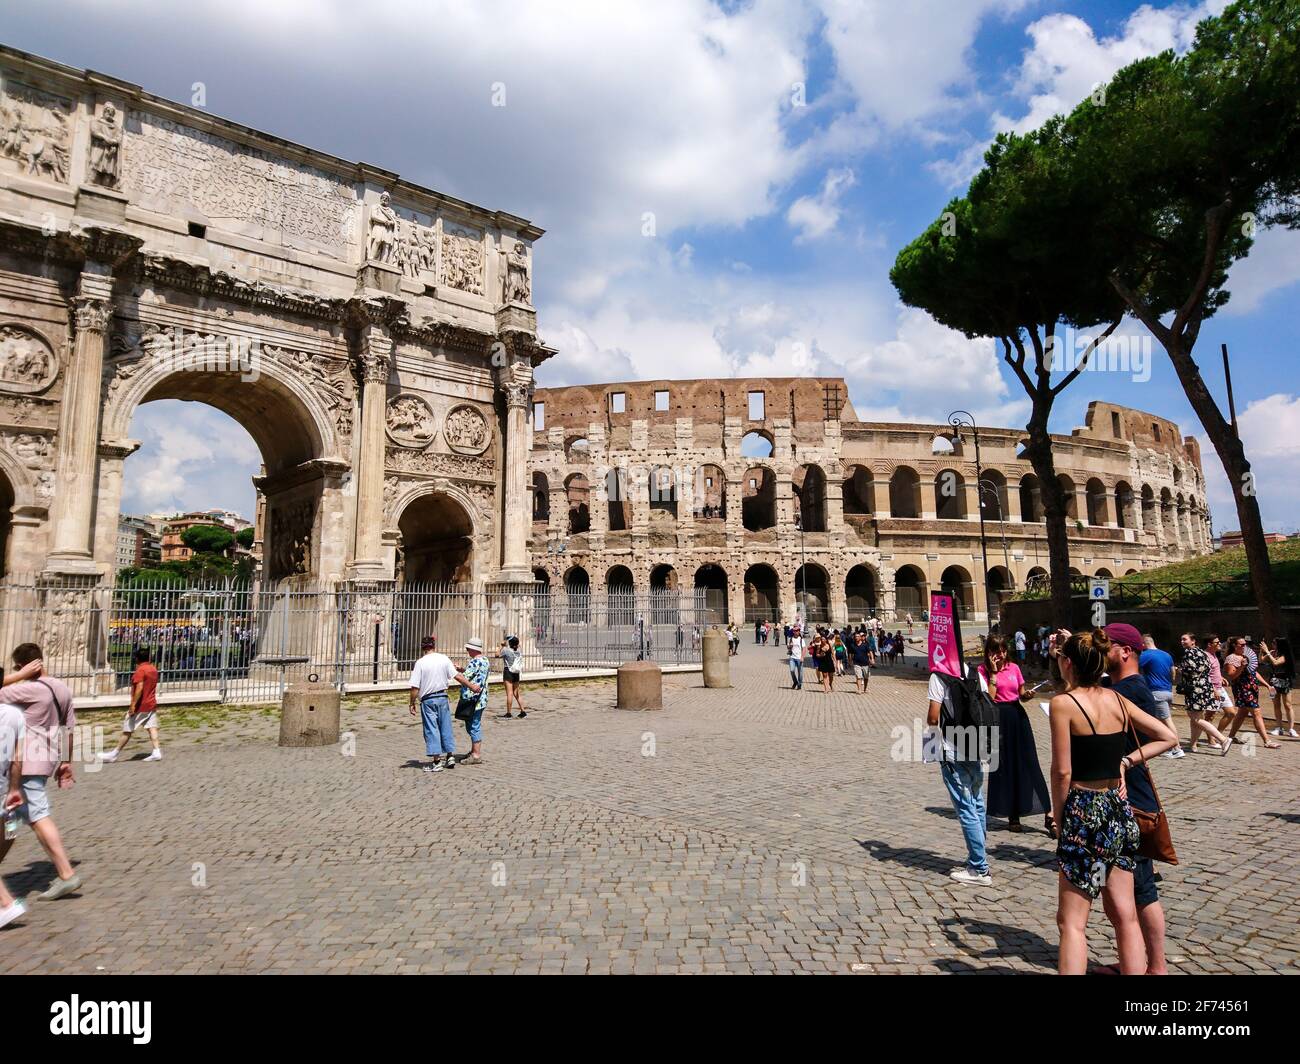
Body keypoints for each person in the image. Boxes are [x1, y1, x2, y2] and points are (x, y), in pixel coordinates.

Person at [1049, 629, 1178, 975]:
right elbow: (1168, 736)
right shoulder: (1118, 700)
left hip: (1084, 811)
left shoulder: (1064, 704)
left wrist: (1061, 821)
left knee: (1073, 922)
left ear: (1069, 664)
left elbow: (1062, 772)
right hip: (1117, 812)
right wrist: (1127, 761)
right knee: (1123, 914)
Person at [1097, 622, 1174, 974]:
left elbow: (1165, 737)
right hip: (1119, 800)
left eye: (1106, 645)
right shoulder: (1116, 687)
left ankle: (1155, 968)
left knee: (1141, 891)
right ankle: (1134, 959)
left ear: (1125, 651)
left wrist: (1126, 761)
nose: (1101, 650)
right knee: (1123, 891)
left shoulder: (1134, 690)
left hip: (1134, 802)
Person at [0, 644, 81, 900]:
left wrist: (17, 676)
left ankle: (67, 874)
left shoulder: (27, 688)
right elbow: (69, 728)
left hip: (25, 762)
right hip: (47, 758)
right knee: (10, 817)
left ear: (22, 666)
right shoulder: (61, 687)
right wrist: (66, 762)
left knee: (37, 815)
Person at [927, 660, 993, 885]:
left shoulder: (939, 677)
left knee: (966, 808)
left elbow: (933, 718)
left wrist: (930, 747)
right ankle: (979, 855)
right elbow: (988, 702)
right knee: (977, 802)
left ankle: (978, 867)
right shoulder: (974, 672)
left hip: (953, 749)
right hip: (976, 745)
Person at [981, 635, 1052, 835]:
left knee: (1030, 762)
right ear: (989, 652)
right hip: (998, 719)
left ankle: (1049, 813)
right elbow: (989, 699)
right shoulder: (982, 671)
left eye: (1003, 650)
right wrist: (993, 674)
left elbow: (1020, 693)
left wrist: (1026, 695)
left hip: (1017, 716)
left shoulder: (1014, 668)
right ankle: (1013, 815)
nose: (1001, 655)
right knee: (1006, 766)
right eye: (996, 651)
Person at [408, 635, 479, 772]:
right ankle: (450, 755)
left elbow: (414, 687)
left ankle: (436, 761)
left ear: (422, 647)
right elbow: (457, 676)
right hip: (442, 697)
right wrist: (471, 686)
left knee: (431, 729)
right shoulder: (443, 658)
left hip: (428, 700)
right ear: (434, 645)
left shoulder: (420, 663)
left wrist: (411, 703)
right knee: (445, 727)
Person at [100, 647, 162, 763]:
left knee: (127, 729)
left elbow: (139, 687)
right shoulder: (153, 669)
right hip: (151, 703)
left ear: (137, 658)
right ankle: (156, 751)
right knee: (152, 728)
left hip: (140, 705)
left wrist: (133, 704)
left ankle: (115, 753)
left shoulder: (141, 670)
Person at [1175, 633, 1232, 754]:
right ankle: (1192, 745)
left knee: (1196, 719)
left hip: (1194, 689)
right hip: (1203, 688)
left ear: (1193, 641)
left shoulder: (1189, 653)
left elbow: (1189, 670)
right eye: (1181, 639)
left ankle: (1223, 739)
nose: (1182, 641)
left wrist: (1179, 669)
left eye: (1185, 639)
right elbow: (1206, 669)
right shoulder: (1202, 653)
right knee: (1196, 717)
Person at [1224, 637, 1280, 748]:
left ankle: (1230, 737)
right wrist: (1241, 667)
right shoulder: (1231, 658)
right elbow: (1232, 676)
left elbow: (1254, 672)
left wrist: (1267, 685)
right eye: (1241, 644)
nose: (1244, 646)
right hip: (1242, 688)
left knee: (1242, 713)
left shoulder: (1246, 657)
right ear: (1235, 645)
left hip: (1252, 687)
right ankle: (1267, 741)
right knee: (1256, 712)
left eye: (1245, 644)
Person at [0, 701, 27, 928]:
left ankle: (6, 905)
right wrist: (15, 788)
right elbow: (17, 758)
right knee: (9, 833)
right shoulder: (14, 714)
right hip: (3, 786)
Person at [1139, 635, 1182, 758]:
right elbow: (1172, 672)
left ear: (1143, 644)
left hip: (1156, 692)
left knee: (1167, 721)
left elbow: (1133, 667)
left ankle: (1177, 748)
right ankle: (1166, 747)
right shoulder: (1166, 655)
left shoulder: (1145, 655)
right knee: (1161, 722)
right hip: (1168, 691)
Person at [457, 639, 490, 765]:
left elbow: (465, 678)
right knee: (473, 723)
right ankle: (473, 751)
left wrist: (454, 672)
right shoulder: (485, 660)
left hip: (472, 698)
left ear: (474, 649)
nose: (467, 651)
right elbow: (474, 674)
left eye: (468, 649)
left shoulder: (475, 661)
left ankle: (476, 754)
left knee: (473, 725)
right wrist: (462, 669)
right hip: (481, 698)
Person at [1259, 637, 1296, 738]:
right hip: (1274, 681)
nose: (1272, 645)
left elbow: (1276, 662)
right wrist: (1262, 651)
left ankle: (1291, 729)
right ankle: (1279, 727)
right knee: (1276, 705)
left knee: (1288, 704)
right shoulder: (1272, 652)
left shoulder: (1284, 655)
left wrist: (1267, 651)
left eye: (1274, 643)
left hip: (1285, 681)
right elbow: (1261, 661)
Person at [499, 636, 527, 719]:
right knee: (516, 693)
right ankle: (523, 711)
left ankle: (508, 713)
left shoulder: (506, 650)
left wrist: (501, 646)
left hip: (508, 672)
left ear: (510, 643)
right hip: (516, 672)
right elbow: (518, 645)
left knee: (509, 693)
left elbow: (497, 655)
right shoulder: (519, 651)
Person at [788, 626, 805, 690]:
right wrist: (790, 646)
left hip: (799, 658)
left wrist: (802, 657)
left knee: (800, 672)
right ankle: (795, 682)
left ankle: (799, 684)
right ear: (793, 632)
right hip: (792, 657)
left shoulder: (801, 639)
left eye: (797, 631)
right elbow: (788, 648)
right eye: (795, 631)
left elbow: (804, 649)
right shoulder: (791, 639)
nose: (796, 632)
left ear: (799, 631)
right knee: (792, 670)